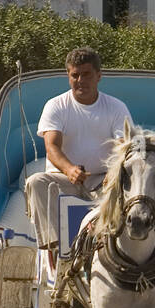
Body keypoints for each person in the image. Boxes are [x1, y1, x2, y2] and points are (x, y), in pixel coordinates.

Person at [25, 48, 133, 266]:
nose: (80, 80)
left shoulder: (116, 107)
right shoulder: (56, 106)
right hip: (66, 180)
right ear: (68, 76)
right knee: (36, 182)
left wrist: (112, 175)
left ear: (98, 76)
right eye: (75, 75)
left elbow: (124, 147)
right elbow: (52, 147)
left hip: (105, 182)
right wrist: (70, 170)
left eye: (86, 75)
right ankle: (58, 252)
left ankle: (119, 252)